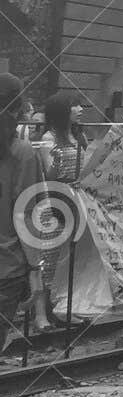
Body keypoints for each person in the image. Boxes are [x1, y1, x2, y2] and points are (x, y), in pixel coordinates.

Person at [0, 74, 47, 360]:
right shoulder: (22, 153)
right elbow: (26, 215)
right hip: (7, 266)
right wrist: (35, 268)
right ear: (18, 109)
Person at [34, 91, 88, 329]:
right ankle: (41, 313)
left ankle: (62, 306)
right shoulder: (48, 138)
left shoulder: (76, 136)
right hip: (53, 203)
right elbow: (49, 173)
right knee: (48, 259)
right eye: (74, 106)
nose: (80, 110)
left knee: (68, 259)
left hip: (74, 201)